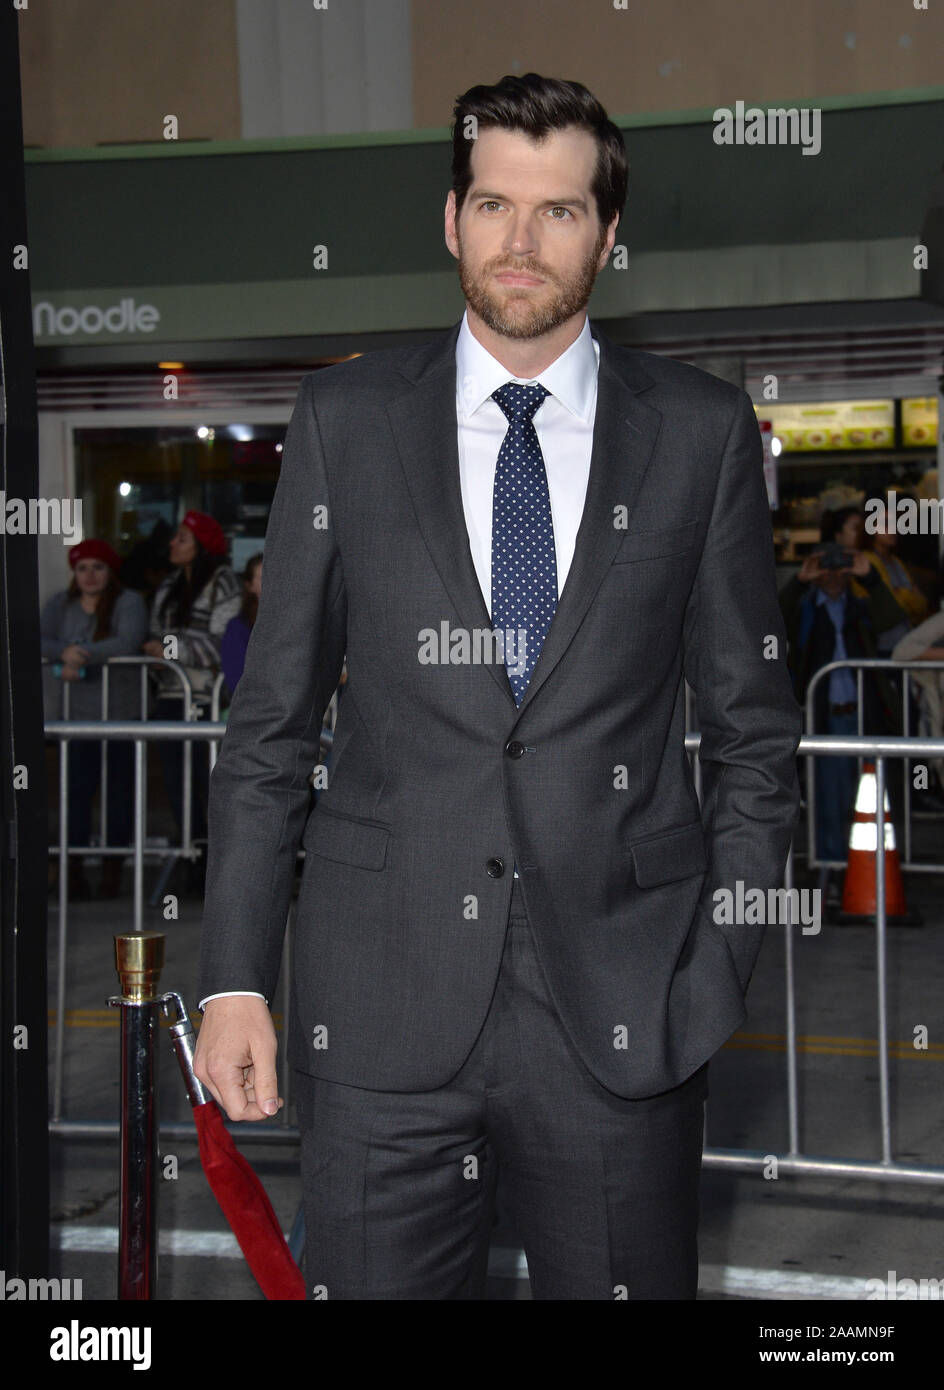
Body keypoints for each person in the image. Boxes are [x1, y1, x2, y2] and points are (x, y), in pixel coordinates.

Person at [194, 73, 801, 1301]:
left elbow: (754, 737)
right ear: (451, 219)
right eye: (492, 204)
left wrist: (712, 973)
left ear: (609, 237)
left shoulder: (696, 433)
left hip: (625, 1015)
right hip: (376, 1013)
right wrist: (236, 972)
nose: (520, 242)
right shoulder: (346, 418)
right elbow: (271, 725)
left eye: (559, 211)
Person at [779, 547, 893, 901]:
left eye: (838, 567)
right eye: (824, 567)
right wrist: (800, 582)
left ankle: (869, 869)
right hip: (825, 715)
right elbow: (771, 619)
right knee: (828, 796)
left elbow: (895, 623)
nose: (831, 574)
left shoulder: (860, 608)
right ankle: (830, 869)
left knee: (869, 796)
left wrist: (869, 578)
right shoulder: (806, 609)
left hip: (862, 714)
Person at [40, 539, 149, 897]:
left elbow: (128, 641)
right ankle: (71, 871)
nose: (90, 575)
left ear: (110, 571)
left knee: (120, 795)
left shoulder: (128, 601)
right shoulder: (61, 603)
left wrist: (80, 655)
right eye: (83, 567)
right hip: (76, 718)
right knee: (75, 794)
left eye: (98, 567)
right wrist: (63, 653)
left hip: (122, 715)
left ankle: (112, 872)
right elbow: (39, 639)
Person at [143, 511, 240, 883]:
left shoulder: (222, 583)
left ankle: (213, 864)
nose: (173, 543)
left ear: (202, 545)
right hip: (170, 694)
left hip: (205, 698)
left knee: (207, 780)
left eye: (182, 538)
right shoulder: (169, 586)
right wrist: (161, 654)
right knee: (177, 781)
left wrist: (167, 649)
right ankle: (194, 858)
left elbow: (219, 645)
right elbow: (155, 640)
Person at [219, 552, 263, 701]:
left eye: (277, 575)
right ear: (249, 586)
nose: (273, 582)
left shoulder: (295, 623)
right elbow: (237, 680)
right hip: (256, 712)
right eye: (264, 577)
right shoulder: (238, 628)